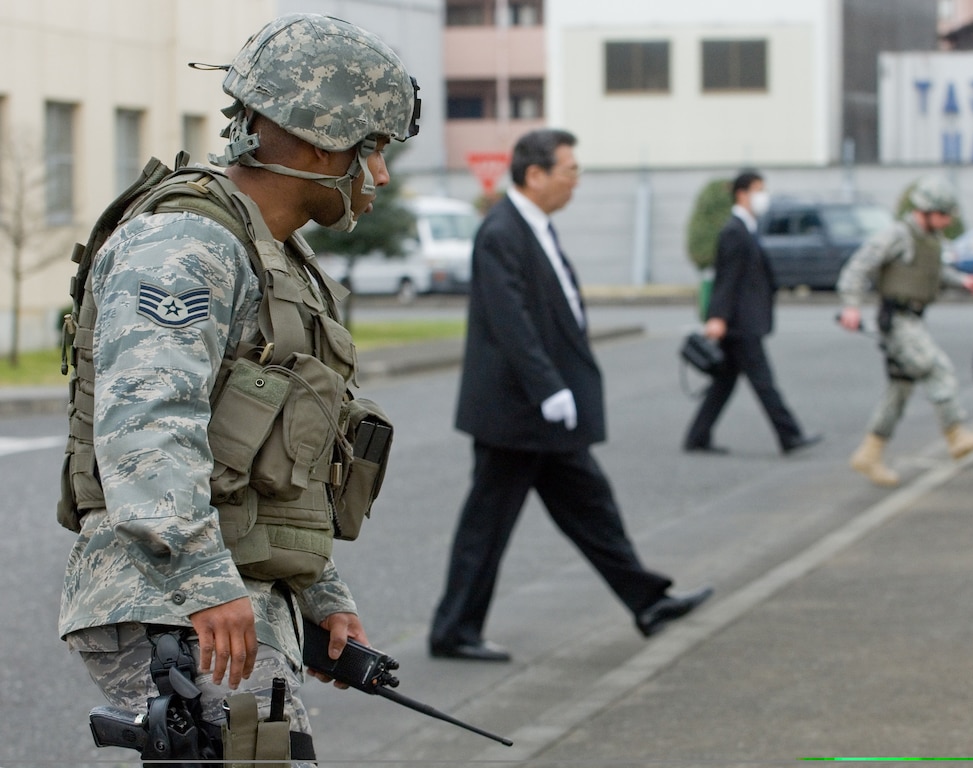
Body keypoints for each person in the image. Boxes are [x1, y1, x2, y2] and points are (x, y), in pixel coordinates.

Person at [56, 14, 419, 764]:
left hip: (224, 591)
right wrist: (202, 579)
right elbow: (147, 427)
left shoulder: (270, 253)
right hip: (173, 597)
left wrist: (321, 598)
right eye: (373, 148)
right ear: (323, 139)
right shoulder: (186, 242)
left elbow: (277, 460)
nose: (379, 174)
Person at [429, 128, 712, 662]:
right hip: (518, 414)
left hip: (541, 415)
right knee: (487, 525)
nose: (576, 182)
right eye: (570, 170)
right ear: (535, 175)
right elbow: (511, 323)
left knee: (592, 509)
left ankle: (647, 600)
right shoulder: (503, 232)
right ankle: (453, 630)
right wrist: (550, 388)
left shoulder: (533, 227)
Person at [836, 175, 973, 488]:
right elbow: (859, 266)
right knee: (937, 369)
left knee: (900, 389)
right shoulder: (897, 235)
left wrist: (962, 281)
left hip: (913, 318)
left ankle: (870, 453)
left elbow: (933, 271)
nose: (948, 221)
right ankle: (956, 434)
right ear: (929, 209)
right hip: (898, 321)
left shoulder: (929, 238)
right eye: (944, 214)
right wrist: (851, 305)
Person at [682, 170, 822, 455]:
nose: (763, 196)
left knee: (723, 384)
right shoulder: (734, 231)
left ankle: (697, 436)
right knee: (763, 382)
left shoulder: (745, 229)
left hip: (741, 320)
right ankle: (790, 435)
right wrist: (717, 317)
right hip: (740, 323)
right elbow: (727, 278)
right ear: (741, 194)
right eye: (758, 190)